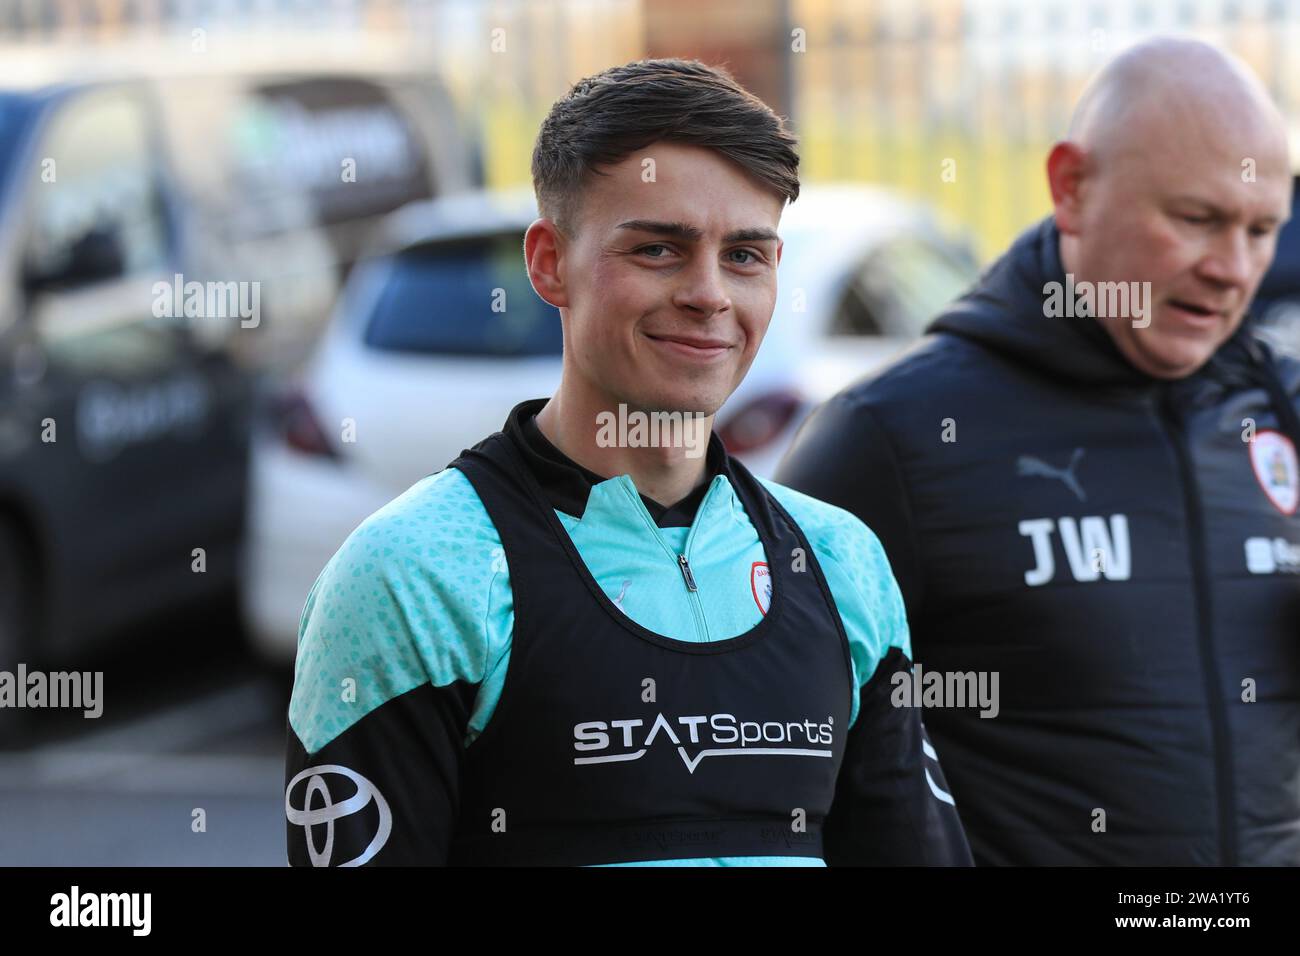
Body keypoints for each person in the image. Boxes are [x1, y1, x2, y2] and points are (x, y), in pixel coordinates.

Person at [284, 58, 971, 866]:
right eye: (658, 250)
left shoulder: (842, 562)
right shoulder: (411, 573)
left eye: (746, 256)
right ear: (548, 264)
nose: (710, 293)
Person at [776, 37, 1299, 866]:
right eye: (1195, 219)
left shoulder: (1280, 409)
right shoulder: (891, 437)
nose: (1233, 268)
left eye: (1262, 229)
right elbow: (773, 767)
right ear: (1072, 187)